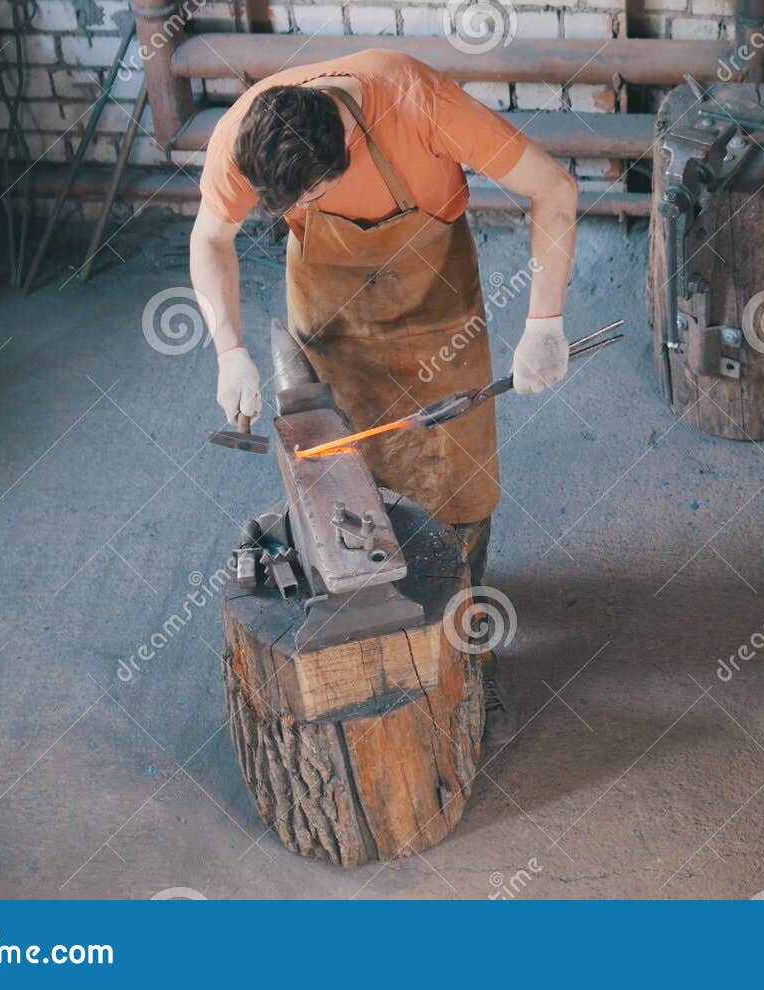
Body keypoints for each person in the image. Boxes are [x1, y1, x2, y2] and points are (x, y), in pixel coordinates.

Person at [190, 50, 580, 742]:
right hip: (332, 319)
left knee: (456, 496)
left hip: (438, 321)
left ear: (343, 146)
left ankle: (466, 666)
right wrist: (229, 353)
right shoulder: (239, 139)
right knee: (343, 485)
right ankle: (375, 652)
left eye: (308, 197)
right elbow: (210, 237)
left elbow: (554, 189)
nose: (298, 212)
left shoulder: (421, 104)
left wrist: (544, 323)